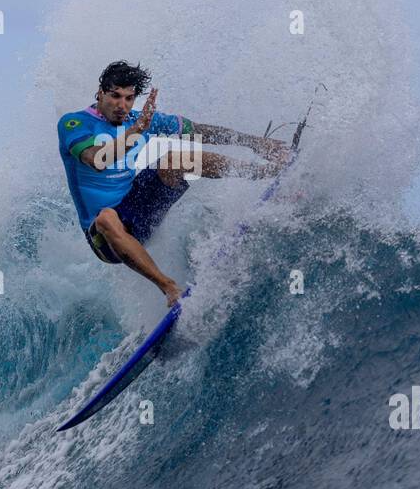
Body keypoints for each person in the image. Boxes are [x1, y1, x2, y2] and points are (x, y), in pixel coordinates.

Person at [57, 61, 291, 306]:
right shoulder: (74, 123)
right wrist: (136, 130)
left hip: (136, 212)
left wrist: (253, 142)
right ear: (100, 91)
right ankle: (169, 288)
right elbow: (97, 160)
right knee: (106, 217)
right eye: (115, 96)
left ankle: (264, 173)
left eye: (129, 98)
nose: (122, 105)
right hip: (105, 239)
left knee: (175, 159)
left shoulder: (140, 119)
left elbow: (197, 130)